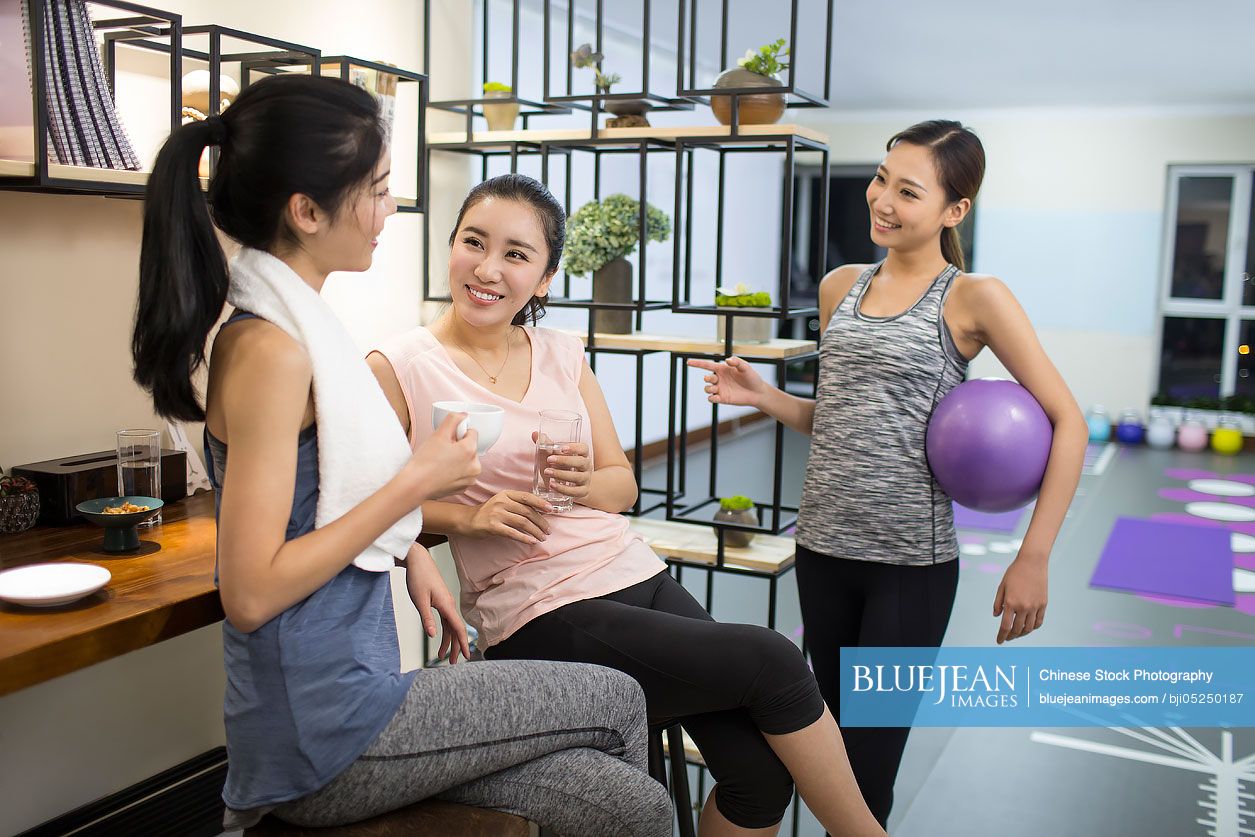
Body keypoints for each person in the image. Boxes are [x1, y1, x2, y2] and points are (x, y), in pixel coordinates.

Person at [131, 74, 672, 836]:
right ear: (307, 211)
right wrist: (414, 485)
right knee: (618, 698)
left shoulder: (292, 328)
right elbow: (249, 592)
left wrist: (408, 549)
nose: (389, 210)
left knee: (637, 806)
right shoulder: (271, 351)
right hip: (329, 732)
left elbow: (317, 499)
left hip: (353, 698)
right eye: (378, 190)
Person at [368, 173, 887, 837]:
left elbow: (622, 486)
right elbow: (366, 505)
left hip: (630, 570)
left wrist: (583, 480)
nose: (488, 268)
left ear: (545, 278)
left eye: (516, 254)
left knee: (758, 777)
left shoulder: (560, 353)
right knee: (775, 658)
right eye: (474, 242)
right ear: (451, 247)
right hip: (536, 607)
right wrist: (466, 517)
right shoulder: (401, 365)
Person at [690, 119, 1088, 826]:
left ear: (954, 210)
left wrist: (1034, 555)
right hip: (822, 552)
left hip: (907, 568)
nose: (882, 199)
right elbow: (844, 418)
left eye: (908, 191)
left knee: (866, 772)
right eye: (881, 179)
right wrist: (764, 396)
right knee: (825, 759)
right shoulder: (840, 286)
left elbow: (1068, 421)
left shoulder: (973, 297)